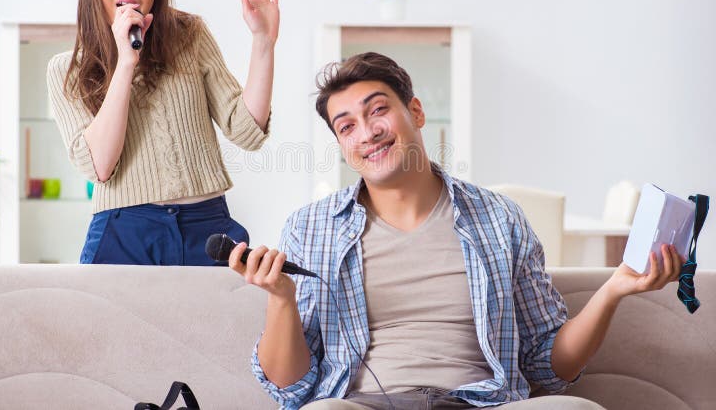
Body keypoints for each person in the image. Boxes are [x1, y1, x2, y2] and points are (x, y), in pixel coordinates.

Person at [228, 52, 684, 409]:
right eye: (347, 127)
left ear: (417, 112)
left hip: (483, 402)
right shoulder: (311, 228)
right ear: (343, 146)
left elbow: (547, 366)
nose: (367, 132)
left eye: (378, 110)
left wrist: (612, 291)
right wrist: (281, 299)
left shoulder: (500, 219)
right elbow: (290, 389)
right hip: (360, 404)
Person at [47, 0, 279, 265]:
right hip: (124, 231)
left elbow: (246, 130)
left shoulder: (190, 35)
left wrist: (263, 41)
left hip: (207, 225)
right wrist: (126, 62)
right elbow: (100, 167)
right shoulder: (67, 69)